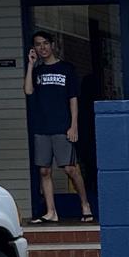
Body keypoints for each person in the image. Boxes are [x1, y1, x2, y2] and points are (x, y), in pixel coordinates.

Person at [24, 29, 94, 224]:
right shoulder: (37, 71)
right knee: (44, 171)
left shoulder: (67, 69)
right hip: (42, 127)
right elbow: (28, 91)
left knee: (70, 169)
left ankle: (85, 205)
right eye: (38, 44)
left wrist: (73, 126)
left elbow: (73, 99)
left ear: (52, 45)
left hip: (62, 126)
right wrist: (30, 65)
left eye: (45, 43)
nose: (42, 47)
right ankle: (51, 211)